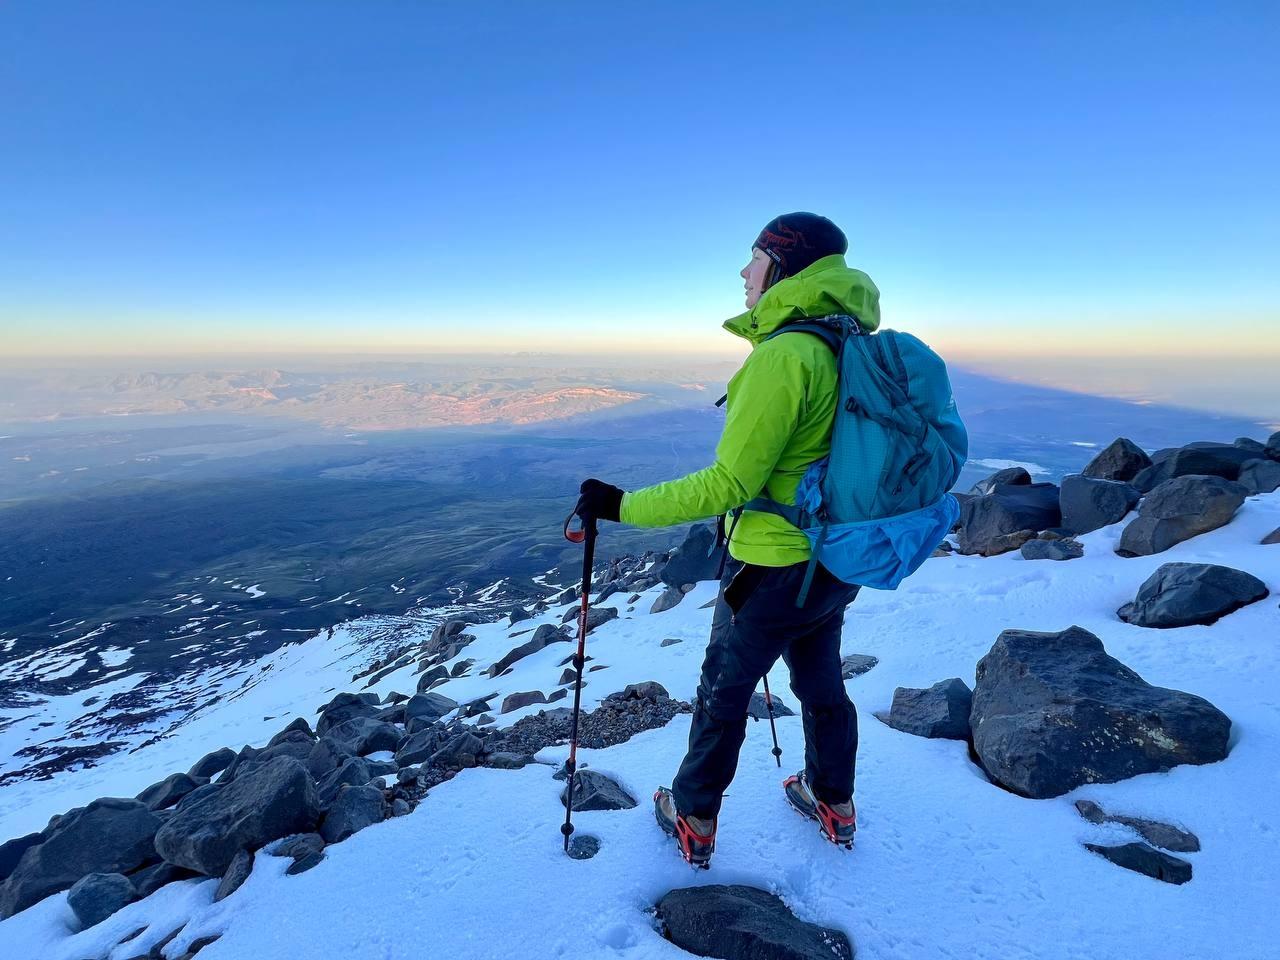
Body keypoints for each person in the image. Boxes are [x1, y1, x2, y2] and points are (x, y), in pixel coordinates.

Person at [575, 212, 879, 867]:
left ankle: (693, 815)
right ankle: (835, 801)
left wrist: (620, 504)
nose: (745, 273)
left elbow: (729, 483)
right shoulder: (846, 339)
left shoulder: (785, 354)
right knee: (822, 684)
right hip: (832, 558)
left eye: (756, 258)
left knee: (724, 691)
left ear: (785, 266)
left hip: (770, 566)